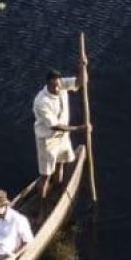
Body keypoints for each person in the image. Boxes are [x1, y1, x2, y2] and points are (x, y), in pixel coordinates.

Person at [32, 63, 90, 198]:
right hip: (48, 140)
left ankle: (57, 192)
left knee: (61, 164)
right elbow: (54, 125)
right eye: (54, 86)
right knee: (45, 176)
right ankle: (42, 208)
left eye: (59, 84)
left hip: (63, 137)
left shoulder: (61, 84)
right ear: (48, 84)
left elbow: (81, 82)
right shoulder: (41, 102)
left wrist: (83, 67)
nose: (58, 88)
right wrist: (79, 128)